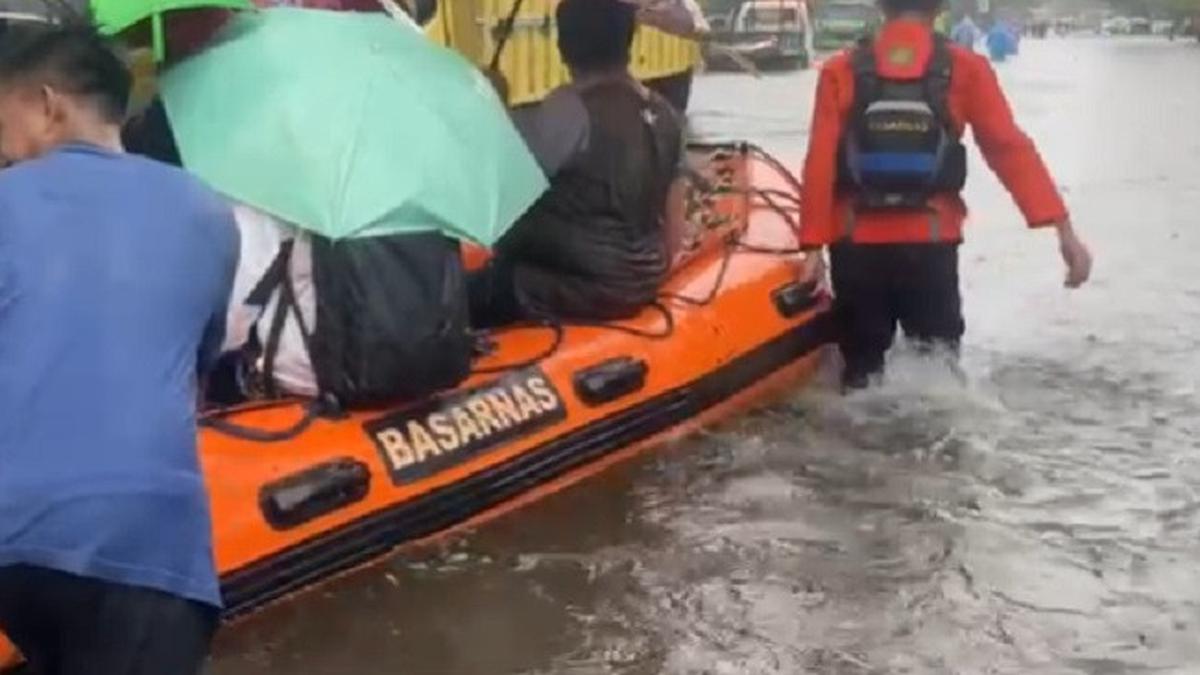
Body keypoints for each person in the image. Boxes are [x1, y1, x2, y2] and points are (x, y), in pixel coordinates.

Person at [0, 22, 238, 674]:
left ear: (49, 105)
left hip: (14, 538)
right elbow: (198, 368)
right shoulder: (206, 211)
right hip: (145, 538)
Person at [799, 0, 1092, 390]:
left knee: (861, 375)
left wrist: (811, 248)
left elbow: (819, 161)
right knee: (937, 375)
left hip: (856, 243)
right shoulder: (965, 68)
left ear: (879, 4)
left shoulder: (839, 69)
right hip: (931, 242)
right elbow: (1008, 149)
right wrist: (1062, 228)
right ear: (941, 6)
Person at [470, 0, 685, 327]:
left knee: (458, 294)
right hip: (642, 282)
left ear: (563, 46)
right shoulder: (666, 114)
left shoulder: (567, 109)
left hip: (571, 287)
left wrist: (491, 104)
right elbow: (674, 233)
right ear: (629, 41)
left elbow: (504, 186)